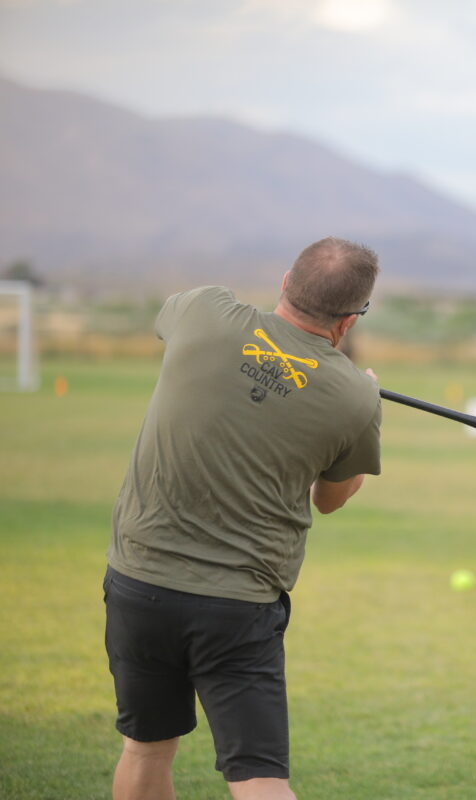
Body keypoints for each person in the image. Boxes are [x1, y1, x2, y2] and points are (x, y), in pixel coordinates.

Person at [103, 237, 382, 800]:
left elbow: (180, 324)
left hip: (139, 582)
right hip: (237, 605)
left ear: (285, 282)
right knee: (259, 777)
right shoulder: (354, 396)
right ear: (351, 319)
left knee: (145, 748)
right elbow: (330, 498)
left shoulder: (204, 310)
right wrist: (367, 405)